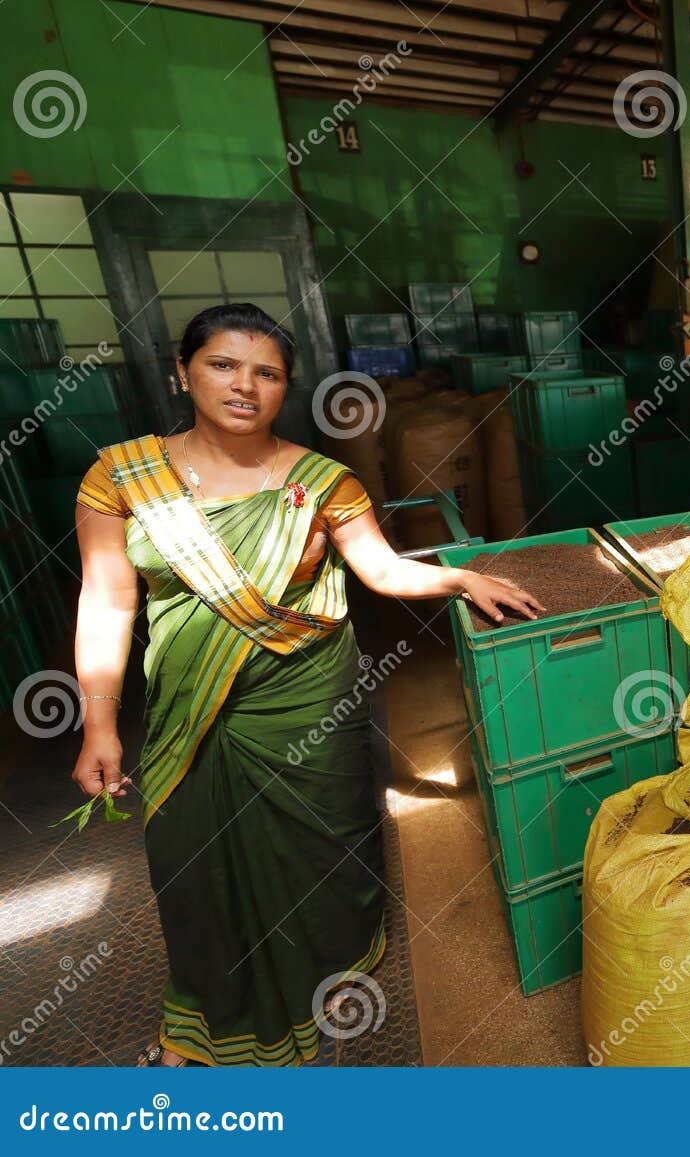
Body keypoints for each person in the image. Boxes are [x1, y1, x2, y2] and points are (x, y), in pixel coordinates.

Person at [71, 303, 541, 1066]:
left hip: (305, 702)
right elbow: (109, 598)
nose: (245, 385)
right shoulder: (123, 476)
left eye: (268, 373)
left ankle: (331, 965)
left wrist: (460, 577)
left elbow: (381, 570)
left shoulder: (324, 480)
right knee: (192, 862)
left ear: (288, 387)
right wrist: (99, 723)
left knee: (321, 845)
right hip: (193, 709)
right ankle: (212, 1009)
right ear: (182, 370)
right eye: (224, 365)